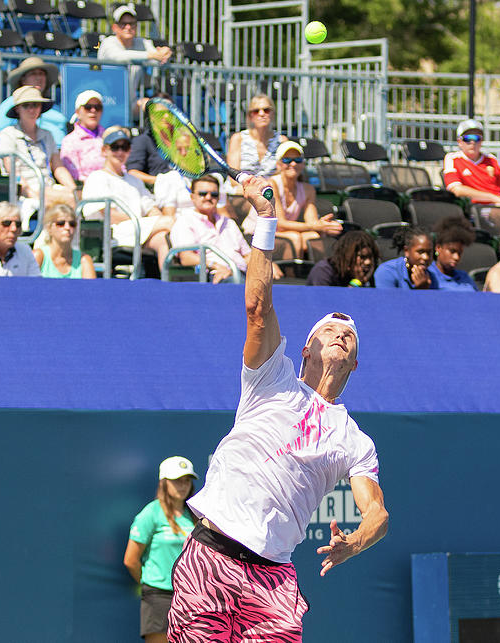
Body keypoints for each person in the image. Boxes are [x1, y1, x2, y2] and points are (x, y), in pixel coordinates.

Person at [168, 176, 388, 641]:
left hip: (273, 579)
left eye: (349, 336)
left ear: (355, 362)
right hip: (212, 556)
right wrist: (265, 221)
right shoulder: (272, 376)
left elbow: (377, 514)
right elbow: (257, 306)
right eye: (329, 330)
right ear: (304, 349)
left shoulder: (355, 440)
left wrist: (356, 542)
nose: (341, 333)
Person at [124, 456, 198, 643]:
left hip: (190, 597)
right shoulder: (151, 513)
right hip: (158, 597)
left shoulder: (196, 516)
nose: (183, 486)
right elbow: (131, 560)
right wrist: (152, 585)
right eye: (177, 481)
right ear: (164, 483)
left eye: (187, 481)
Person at [81, 127, 174, 273]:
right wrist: (140, 220)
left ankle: (170, 286)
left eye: (124, 147)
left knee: (163, 237)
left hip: (138, 229)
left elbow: (151, 208)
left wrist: (155, 221)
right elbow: (108, 215)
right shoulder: (97, 178)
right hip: (114, 233)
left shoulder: (134, 180)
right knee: (170, 222)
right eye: (115, 147)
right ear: (104, 150)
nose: (120, 152)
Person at [169, 175, 282, 283]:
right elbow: (186, 258)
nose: (209, 197)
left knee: (275, 282)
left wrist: (265, 263)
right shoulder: (185, 221)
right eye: (203, 194)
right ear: (192, 197)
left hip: (241, 273)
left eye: (214, 194)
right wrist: (215, 265)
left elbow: (247, 255)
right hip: (213, 275)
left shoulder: (229, 223)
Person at [242, 141, 342, 249]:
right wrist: (317, 226)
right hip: (255, 233)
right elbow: (280, 224)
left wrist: (324, 225)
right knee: (295, 238)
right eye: (287, 160)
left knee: (314, 236)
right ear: (278, 165)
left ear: (303, 164)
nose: (293, 164)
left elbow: (311, 221)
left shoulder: (308, 189)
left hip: (280, 234)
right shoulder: (271, 185)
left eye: (298, 160)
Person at [443, 119, 500, 230]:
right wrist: (494, 198)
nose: (473, 142)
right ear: (459, 141)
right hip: (477, 208)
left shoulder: (491, 159)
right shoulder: (452, 158)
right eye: (468, 139)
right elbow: (457, 190)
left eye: (477, 138)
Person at [0, 85, 77, 208]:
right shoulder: (8, 134)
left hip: (48, 187)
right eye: (26, 105)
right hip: (23, 191)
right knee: (69, 200)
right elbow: (13, 173)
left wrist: (74, 189)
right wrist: (32, 193)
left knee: (79, 196)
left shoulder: (47, 135)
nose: (31, 110)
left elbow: (58, 167)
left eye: (35, 105)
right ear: (18, 109)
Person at [97, 4, 172, 116]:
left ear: (136, 26)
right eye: (123, 24)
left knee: (161, 106)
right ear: (115, 27)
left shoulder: (143, 43)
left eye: (131, 23)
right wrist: (151, 55)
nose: (128, 27)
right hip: (106, 103)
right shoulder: (107, 43)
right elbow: (119, 57)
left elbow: (157, 60)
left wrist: (165, 53)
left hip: (130, 104)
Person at [225, 95, 287, 223]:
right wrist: (254, 190)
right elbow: (233, 178)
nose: (261, 114)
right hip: (242, 191)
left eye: (266, 110)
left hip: (272, 191)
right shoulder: (238, 138)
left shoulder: (281, 141)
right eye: (256, 111)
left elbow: (284, 173)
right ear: (250, 116)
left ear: (272, 114)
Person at [0, 57, 67, 147]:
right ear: (23, 80)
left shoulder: (53, 105)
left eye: (42, 74)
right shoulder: (12, 102)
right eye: (33, 74)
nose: (38, 78)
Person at [32, 203, 96, 279]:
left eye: (72, 224)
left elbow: (91, 290)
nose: (67, 227)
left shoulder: (84, 260)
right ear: (49, 228)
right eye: (61, 223)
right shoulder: (38, 256)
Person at [60, 90, 106, 183]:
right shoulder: (70, 141)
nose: (93, 111)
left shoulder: (108, 137)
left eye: (98, 107)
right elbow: (75, 176)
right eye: (88, 107)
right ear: (77, 112)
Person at [373, 226, 440, 289]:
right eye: (420, 252)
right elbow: (389, 301)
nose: (426, 257)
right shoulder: (386, 272)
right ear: (406, 251)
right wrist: (420, 291)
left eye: (429, 252)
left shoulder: (432, 277)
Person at [306, 230, 379, 287]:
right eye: (362, 257)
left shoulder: (368, 273)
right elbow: (326, 304)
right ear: (347, 255)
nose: (368, 262)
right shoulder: (323, 271)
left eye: (370, 257)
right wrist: (357, 282)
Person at [431, 215, 479, 291]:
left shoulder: (465, 278)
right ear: (438, 248)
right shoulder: (428, 275)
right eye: (452, 251)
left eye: (459, 253)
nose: (456, 257)